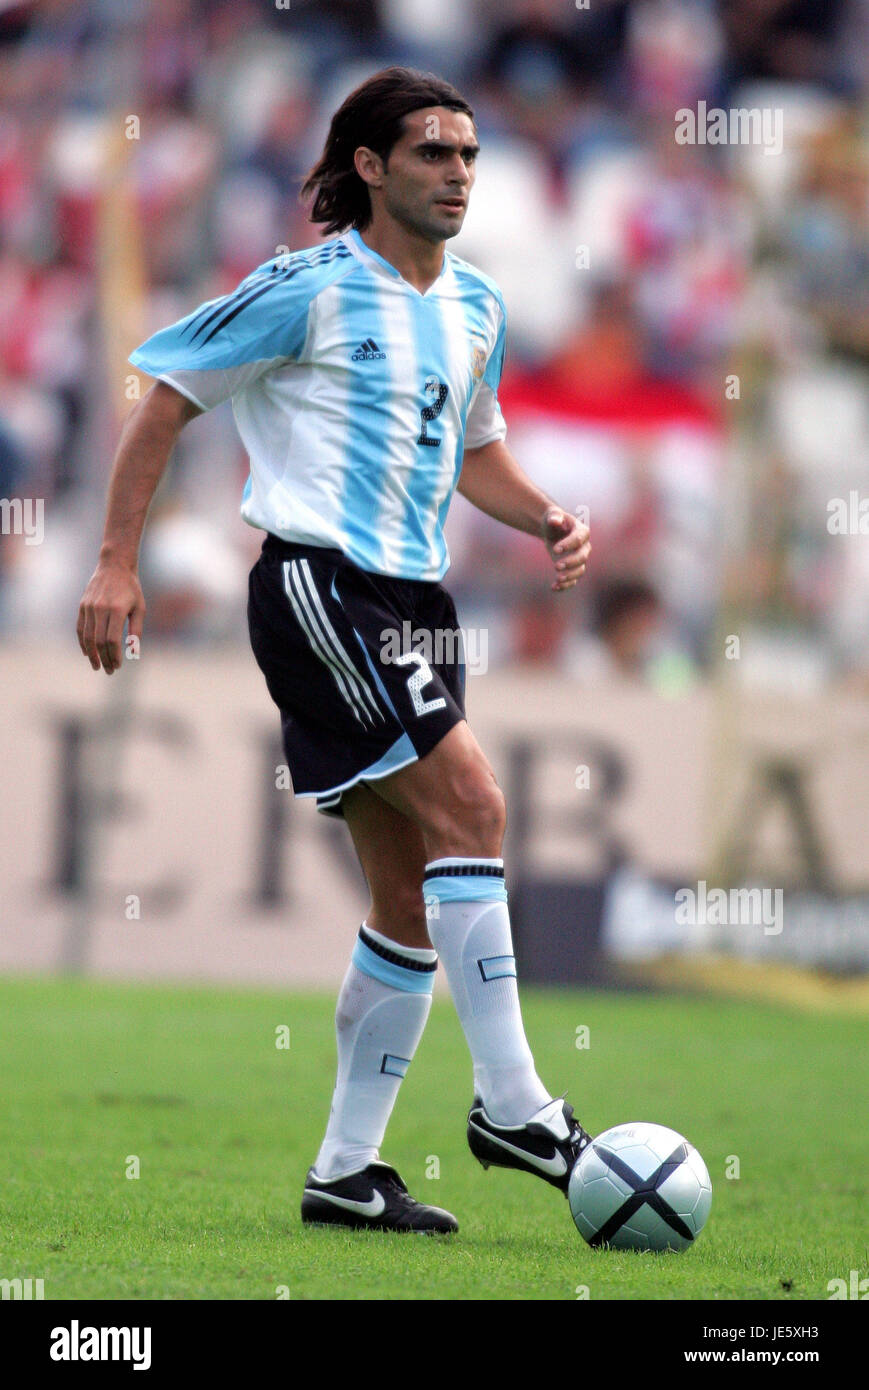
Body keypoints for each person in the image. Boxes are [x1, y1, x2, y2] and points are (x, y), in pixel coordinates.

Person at [76, 67, 593, 1235]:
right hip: (319, 585)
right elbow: (162, 398)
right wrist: (115, 560)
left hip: (419, 600)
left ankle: (345, 1173)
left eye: (468, 154)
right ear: (368, 166)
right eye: (432, 153)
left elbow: (470, 451)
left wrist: (547, 514)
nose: (458, 173)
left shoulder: (478, 308)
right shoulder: (302, 289)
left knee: (407, 891)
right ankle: (515, 1103)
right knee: (476, 804)